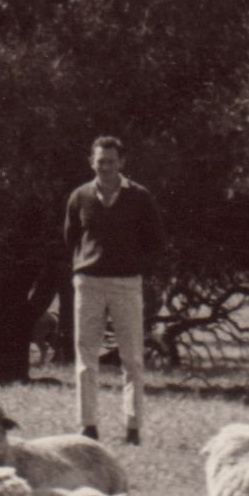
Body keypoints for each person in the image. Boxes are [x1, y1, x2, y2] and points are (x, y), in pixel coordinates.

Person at [61, 133, 164, 446]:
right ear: (91, 162)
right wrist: (86, 265)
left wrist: (131, 264)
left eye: (111, 161)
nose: (105, 167)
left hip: (125, 284)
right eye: (99, 161)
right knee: (85, 356)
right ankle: (87, 426)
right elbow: (71, 238)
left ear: (122, 162)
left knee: (132, 358)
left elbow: (155, 240)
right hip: (89, 282)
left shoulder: (140, 197)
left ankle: (133, 428)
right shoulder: (79, 197)